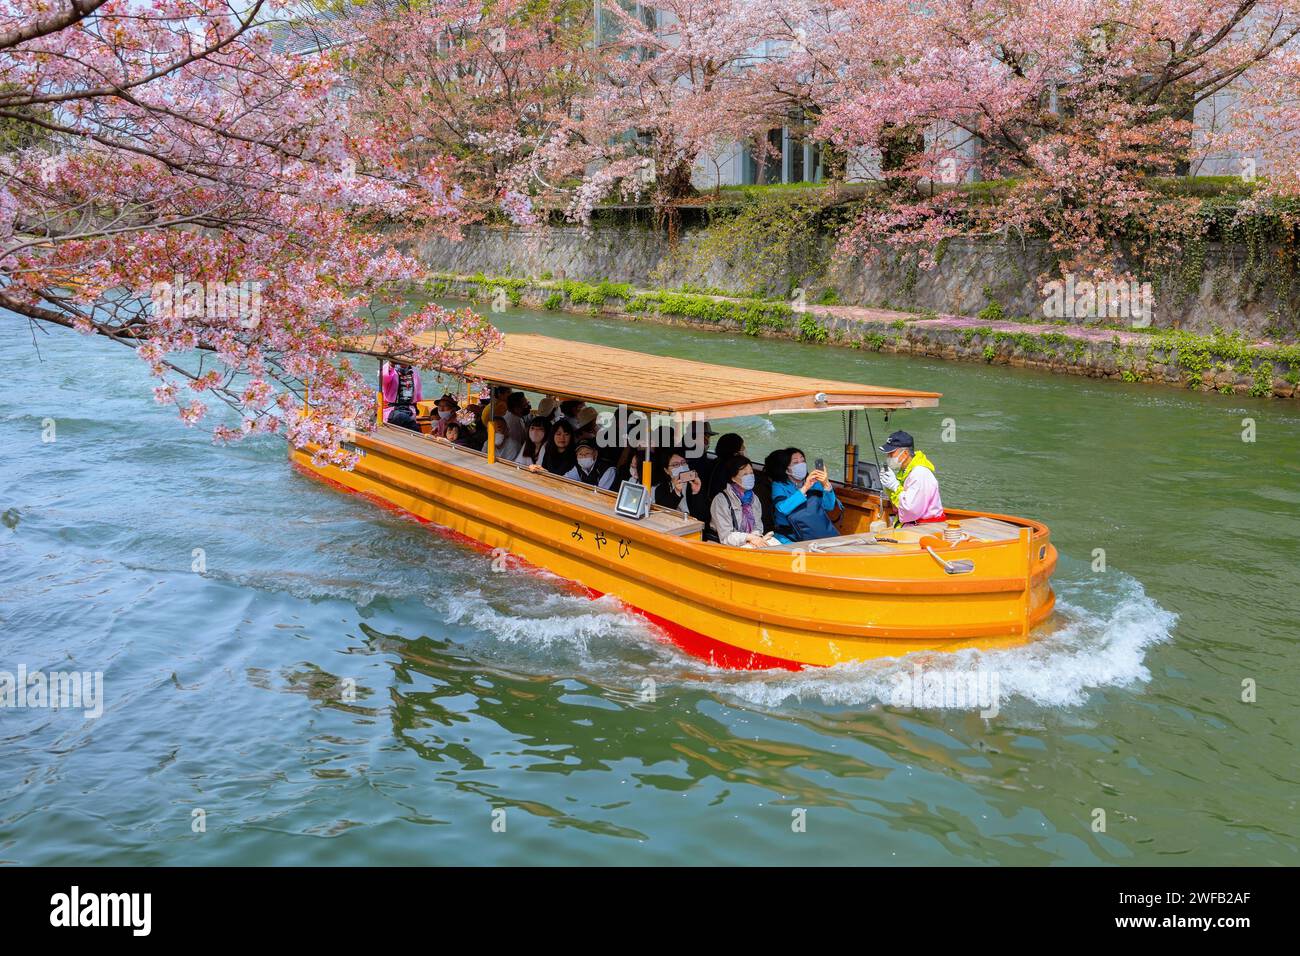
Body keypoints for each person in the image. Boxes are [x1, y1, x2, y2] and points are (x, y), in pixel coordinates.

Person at [765, 447, 840, 543]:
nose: (801, 465)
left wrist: (826, 484)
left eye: (803, 461)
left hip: (815, 532)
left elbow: (829, 507)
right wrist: (805, 487)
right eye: (796, 463)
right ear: (787, 469)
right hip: (789, 536)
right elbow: (783, 508)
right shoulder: (779, 485)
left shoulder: (816, 483)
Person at [878, 430, 945, 526]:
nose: (888, 457)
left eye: (891, 453)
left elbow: (911, 510)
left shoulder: (920, 474)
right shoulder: (905, 471)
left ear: (905, 454)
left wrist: (895, 486)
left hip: (924, 530)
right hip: (909, 526)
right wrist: (888, 486)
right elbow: (897, 506)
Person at [709, 456, 773, 548]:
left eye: (751, 473)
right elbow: (726, 537)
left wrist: (755, 538)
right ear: (733, 478)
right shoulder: (721, 500)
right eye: (745, 474)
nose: (750, 477)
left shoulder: (754, 498)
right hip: (726, 545)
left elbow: (758, 526)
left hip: (750, 543)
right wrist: (749, 538)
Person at [653, 448, 709, 522]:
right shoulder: (661, 488)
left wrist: (696, 493)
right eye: (675, 465)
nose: (681, 467)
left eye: (683, 463)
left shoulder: (694, 484)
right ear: (666, 470)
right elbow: (663, 515)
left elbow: (703, 517)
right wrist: (676, 492)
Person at [380, 360, 423, 430]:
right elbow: (383, 378)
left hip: (409, 410)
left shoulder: (414, 371)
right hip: (392, 410)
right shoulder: (391, 369)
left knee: (412, 425)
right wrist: (392, 364)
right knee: (401, 417)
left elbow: (417, 395)